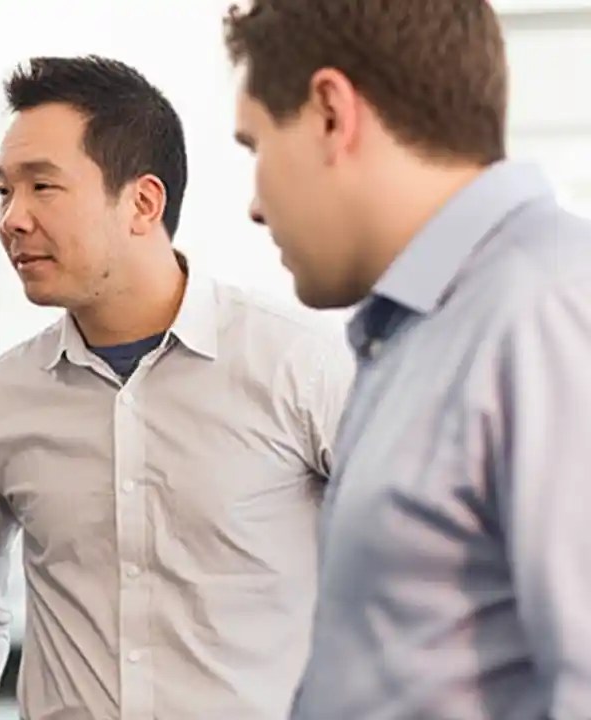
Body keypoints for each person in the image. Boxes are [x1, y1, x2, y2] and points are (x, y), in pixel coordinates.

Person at [0, 55, 355, 720]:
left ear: (143, 202)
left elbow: (423, 576)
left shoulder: (299, 367)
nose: (12, 218)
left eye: (43, 187)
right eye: (4, 191)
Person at [224, 1, 591, 718]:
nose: (255, 206)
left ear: (331, 113)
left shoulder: (549, 312)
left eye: (254, 146)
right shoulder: (422, 330)